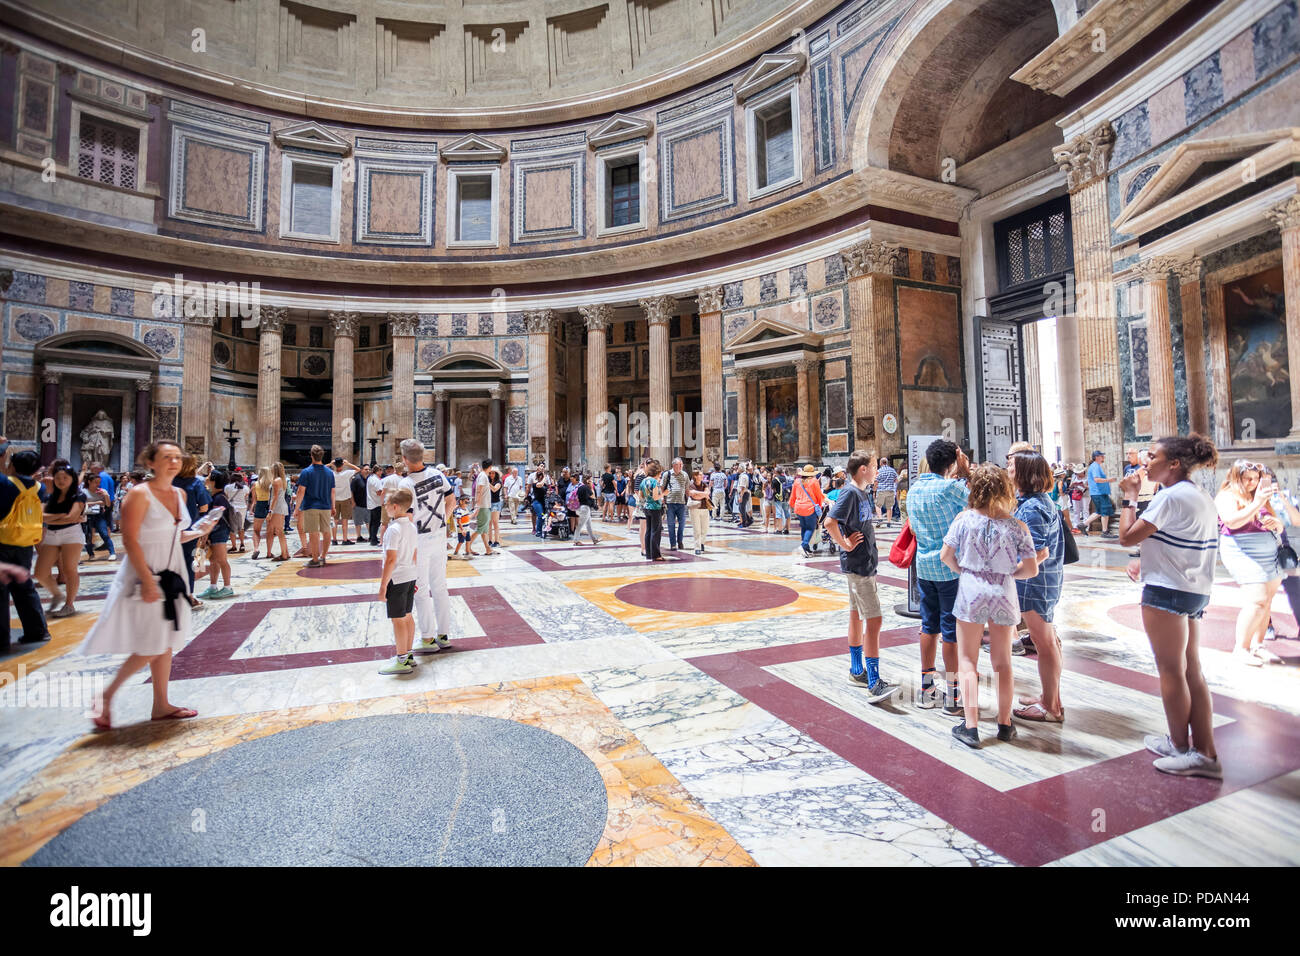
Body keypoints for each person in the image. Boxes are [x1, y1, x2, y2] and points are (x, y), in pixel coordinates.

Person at [82, 440, 224, 730]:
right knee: (153, 642)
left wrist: (199, 530)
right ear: (151, 462)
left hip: (171, 571)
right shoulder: (139, 494)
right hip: (145, 570)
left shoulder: (180, 493)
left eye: (176, 457)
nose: (173, 462)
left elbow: (175, 535)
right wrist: (147, 580)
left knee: (166, 641)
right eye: (166, 457)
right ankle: (104, 696)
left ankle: (161, 704)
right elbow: (130, 540)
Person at [1117, 435, 1223, 778]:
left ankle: (1181, 746)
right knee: (1192, 669)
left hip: (1168, 592)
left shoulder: (1170, 497)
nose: (1146, 462)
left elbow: (1127, 536)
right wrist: (1148, 561)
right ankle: (1203, 751)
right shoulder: (1197, 493)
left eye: (1152, 456)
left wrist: (1129, 498)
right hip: (1194, 589)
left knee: (1171, 671)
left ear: (1173, 463)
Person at [941, 464, 1040, 748]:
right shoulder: (1017, 526)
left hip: (972, 591)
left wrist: (964, 571)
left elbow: (945, 554)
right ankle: (1005, 724)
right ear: (1004, 490)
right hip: (1004, 593)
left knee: (968, 660)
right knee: (1003, 662)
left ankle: (971, 727)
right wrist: (1007, 574)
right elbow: (1031, 569)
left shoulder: (963, 519)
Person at [827, 452, 900, 702]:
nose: (877, 470)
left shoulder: (861, 492)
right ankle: (874, 681)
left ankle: (857, 671)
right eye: (872, 466)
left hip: (862, 563)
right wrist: (845, 544)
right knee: (875, 620)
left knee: (857, 616)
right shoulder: (850, 492)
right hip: (859, 566)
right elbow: (829, 522)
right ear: (862, 470)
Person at [908, 439, 971, 713]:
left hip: (923, 566)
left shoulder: (913, 489)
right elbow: (980, 499)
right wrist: (966, 470)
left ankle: (926, 687)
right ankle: (953, 694)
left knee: (928, 625)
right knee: (950, 631)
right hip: (950, 567)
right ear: (952, 462)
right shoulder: (951, 488)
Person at [1011, 451, 1067, 723]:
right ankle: (1050, 697)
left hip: (1037, 584)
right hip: (1040, 582)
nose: (1008, 469)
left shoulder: (1033, 508)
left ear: (1024, 473)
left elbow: (1038, 553)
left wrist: (1009, 573)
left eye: (1012, 466)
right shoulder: (1035, 502)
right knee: (1047, 641)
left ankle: (1051, 707)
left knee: (1044, 643)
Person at [1214, 460, 1284, 667]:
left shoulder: (1258, 497)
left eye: (1256, 479)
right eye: (1248, 479)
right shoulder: (1226, 496)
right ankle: (1241, 648)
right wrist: (1257, 504)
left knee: (1267, 601)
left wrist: (1276, 524)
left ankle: (1258, 645)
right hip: (1241, 550)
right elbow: (1231, 521)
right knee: (1257, 599)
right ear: (1236, 477)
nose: (1253, 483)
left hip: (1268, 550)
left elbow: (1278, 525)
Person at [399, 439, 456, 655]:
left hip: (419, 541)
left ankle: (428, 637)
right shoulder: (438, 475)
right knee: (440, 586)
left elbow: (408, 516)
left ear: (405, 459)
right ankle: (444, 634)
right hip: (439, 537)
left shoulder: (406, 484)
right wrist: (443, 521)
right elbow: (452, 500)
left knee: (421, 590)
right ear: (423, 456)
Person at [0, 448, 50, 650]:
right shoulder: (39, 487)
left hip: (3, 540)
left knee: (1, 591)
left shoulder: (7, 483)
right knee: (24, 587)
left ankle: (1, 640)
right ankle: (37, 631)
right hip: (26, 542)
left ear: (12, 464)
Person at [377, 487, 420, 675]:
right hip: (410, 575)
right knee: (408, 615)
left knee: (398, 619)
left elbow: (391, 559)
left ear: (395, 507)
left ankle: (401, 659)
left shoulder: (393, 530)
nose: (384, 507)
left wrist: (383, 586)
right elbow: (415, 553)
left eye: (386, 504)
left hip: (397, 578)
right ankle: (408, 654)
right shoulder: (411, 526)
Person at [35, 464, 86, 618]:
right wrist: (63, 515)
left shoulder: (79, 495)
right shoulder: (49, 495)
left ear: (72, 479)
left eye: (65, 477)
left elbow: (71, 518)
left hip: (71, 534)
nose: (61, 481)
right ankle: (57, 594)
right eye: (57, 478)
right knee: (40, 573)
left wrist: (55, 517)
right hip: (51, 534)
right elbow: (40, 516)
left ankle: (69, 605)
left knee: (70, 570)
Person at [172, 455, 211, 600]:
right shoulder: (196, 483)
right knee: (188, 561)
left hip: (169, 526)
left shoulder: (170, 482)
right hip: (189, 527)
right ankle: (188, 595)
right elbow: (204, 507)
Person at [295, 445, 336, 568]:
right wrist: (333, 506)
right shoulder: (329, 472)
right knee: (326, 531)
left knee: (314, 533)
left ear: (311, 455)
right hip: (326, 506)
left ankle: (314, 559)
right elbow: (332, 491)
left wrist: (297, 508)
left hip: (311, 506)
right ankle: (323, 556)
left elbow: (301, 491)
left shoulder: (306, 472)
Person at [198, 469, 235, 599]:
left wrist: (205, 535)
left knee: (222, 560)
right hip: (214, 531)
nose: (206, 478)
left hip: (219, 531)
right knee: (213, 560)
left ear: (214, 481)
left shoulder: (219, 498)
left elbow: (214, 518)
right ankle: (213, 587)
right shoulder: (215, 495)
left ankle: (228, 587)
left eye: (208, 476)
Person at [791, 464, 827, 557]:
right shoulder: (814, 481)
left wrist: (792, 505)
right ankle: (803, 546)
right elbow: (818, 495)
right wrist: (819, 506)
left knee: (803, 527)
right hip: (809, 508)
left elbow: (793, 496)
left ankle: (806, 549)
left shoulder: (796, 481)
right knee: (810, 528)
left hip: (798, 508)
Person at [82, 472, 116, 561]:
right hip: (88, 515)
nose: (98, 484)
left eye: (99, 482)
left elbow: (108, 505)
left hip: (99, 515)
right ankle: (91, 554)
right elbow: (81, 504)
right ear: (89, 482)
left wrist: (106, 495)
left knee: (104, 534)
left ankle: (112, 553)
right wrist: (96, 503)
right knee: (88, 536)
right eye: (96, 482)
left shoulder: (101, 491)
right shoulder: (83, 492)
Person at [330, 457, 360, 546]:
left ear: (335, 465)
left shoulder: (331, 474)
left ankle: (334, 539)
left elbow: (321, 468)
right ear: (342, 464)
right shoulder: (347, 473)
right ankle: (344, 539)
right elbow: (358, 469)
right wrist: (348, 464)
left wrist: (330, 464)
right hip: (345, 499)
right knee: (344, 521)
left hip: (334, 499)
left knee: (334, 521)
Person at [1087, 450, 1118, 538]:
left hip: (1099, 492)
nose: (1103, 457)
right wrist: (1109, 480)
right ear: (1097, 457)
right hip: (1099, 492)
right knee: (1104, 512)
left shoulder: (1095, 466)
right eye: (1101, 456)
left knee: (1100, 511)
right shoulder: (1095, 466)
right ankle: (1105, 532)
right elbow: (1096, 479)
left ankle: (1084, 524)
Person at [662, 457, 689, 551]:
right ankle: (673, 543)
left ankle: (680, 540)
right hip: (670, 503)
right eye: (679, 465)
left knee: (682, 523)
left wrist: (689, 500)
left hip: (681, 503)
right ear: (674, 465)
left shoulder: (685, 475)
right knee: (671, 524)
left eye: (681, 465)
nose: (681, 466)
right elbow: (662, 487)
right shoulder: (667, 474)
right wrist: (662, 498)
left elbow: (687, 489)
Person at [641, 461, 666, 561]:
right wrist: (664, 493)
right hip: (655, 508)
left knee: (648, 531)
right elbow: (656, 497)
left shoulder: (644, 481)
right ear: (657, 472)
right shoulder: (654, 482)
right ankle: (656, 555)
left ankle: (649, 554)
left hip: (646, 507)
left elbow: (641, 496)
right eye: (660, 473)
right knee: (655, 532)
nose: (660, 475)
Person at [470, 458, 495, 556]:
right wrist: (478, 505)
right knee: (480, 529)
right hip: (483, 506)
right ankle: (467, 547)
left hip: (485, 505)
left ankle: (488, 549)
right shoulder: (483, 476)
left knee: (484, 530)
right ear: (490, 467)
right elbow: (479, 490)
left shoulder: (483, 475)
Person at [250, 466, 272, 559]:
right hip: (269, 505)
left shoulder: (255, 484)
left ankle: (256, 549)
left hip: (259, 505)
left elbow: (254, 500)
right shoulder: (271, 484)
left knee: (256, 530)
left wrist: (251, 509)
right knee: (270, 531)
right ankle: (269, 553)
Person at [687, 470, 711, 554]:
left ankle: (702, 543)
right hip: (695, 508)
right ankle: (697, 547)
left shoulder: (704, 484)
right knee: (697, 529)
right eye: (700, 475)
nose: (702, 476)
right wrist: (703, 494)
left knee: (705, 528)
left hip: (704, 508)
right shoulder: (691, 485)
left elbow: (707, 493)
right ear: (695, 476)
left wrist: (698, 493)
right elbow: (694, 496)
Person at [573, 472, 601, 546]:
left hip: (581, 507)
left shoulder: (580, 487)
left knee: (589, 525)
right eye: (591, 480)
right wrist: (591, 487)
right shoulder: (586, 488)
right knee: (580, 525)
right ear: (588, 480)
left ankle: (594, 539)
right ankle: (576, 540)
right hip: (585, 508)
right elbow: (593, 496)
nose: (592, 481)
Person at [225, 471, 249, 554]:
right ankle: (242, 544)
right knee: (241, 527)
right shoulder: (245, 488)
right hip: (242, 508)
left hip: (232, 508)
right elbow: (246, 496)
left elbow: (226, 496)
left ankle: (234, 546)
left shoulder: (227, 487)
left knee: (232, 528)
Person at [366, 464, 386, 545]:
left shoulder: (371, 478)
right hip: (376, 503)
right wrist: (386, 492)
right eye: (381, 470)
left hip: (372, 502)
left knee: (372, 522)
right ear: (378, 471)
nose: (382, 472)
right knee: (376, 523)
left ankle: (372, 537)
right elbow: (379, 492)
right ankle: (373, 539)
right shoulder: (375, 480)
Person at [875, 458, 898, 526]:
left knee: (878, 505)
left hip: (881, 490)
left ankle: (880, 518)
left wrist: (874, 490)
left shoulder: (879, 471)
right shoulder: (892, 470)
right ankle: (889, 522)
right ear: (887, 463)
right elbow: (896, 480)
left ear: (880, 463)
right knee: (889, 507)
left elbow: (876, 481)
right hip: (890, 490)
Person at [452, 494, 473, 558]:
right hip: (462, 530)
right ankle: (455, 553)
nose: (467, 503)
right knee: (461, 541)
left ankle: (467, 552)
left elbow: (468, 517)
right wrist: (462, 530)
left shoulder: (466, 509)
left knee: (468, 540)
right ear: (461, 502)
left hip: (467, 529)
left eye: (468, 502)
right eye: (466, 502)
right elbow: (459, 521)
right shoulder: (459, 511)